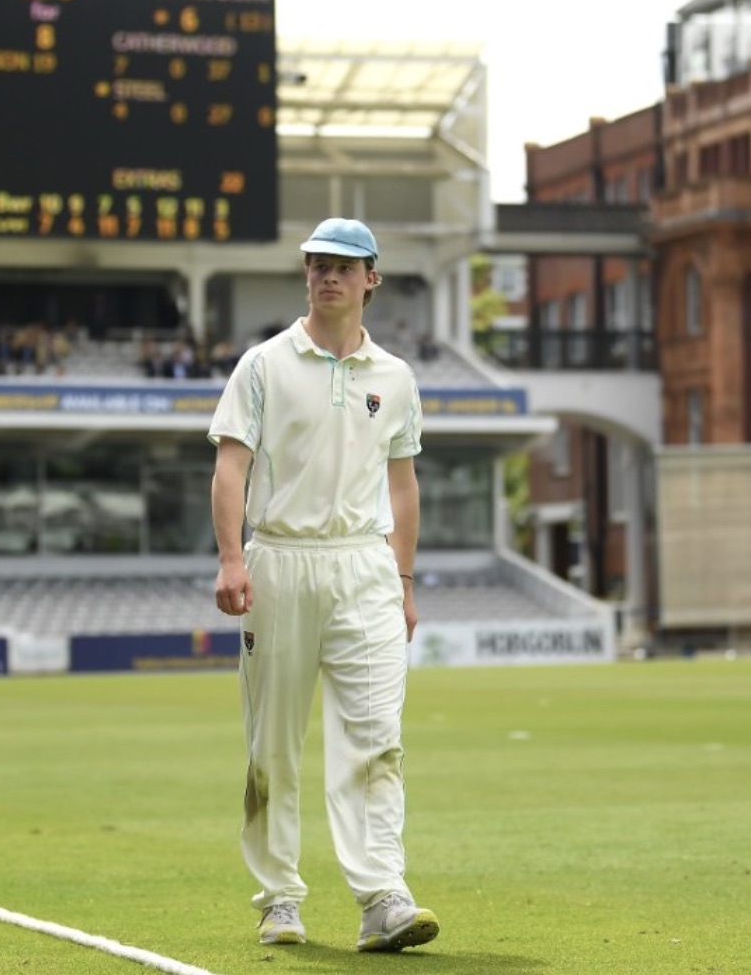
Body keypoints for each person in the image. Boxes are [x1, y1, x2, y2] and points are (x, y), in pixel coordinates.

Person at [208, 217, 438, 953]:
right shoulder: (264, 365)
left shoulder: (396, 378)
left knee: (377, 738)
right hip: (280, 560)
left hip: (364, 567)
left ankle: (382, 897)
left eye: (344, 265)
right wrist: (231, 558)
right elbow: (231, 468)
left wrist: (402, 577)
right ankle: (279, 897)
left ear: (372, 278)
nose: (328, 276)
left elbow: (402, 487)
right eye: (317, 265)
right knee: (271, 743)